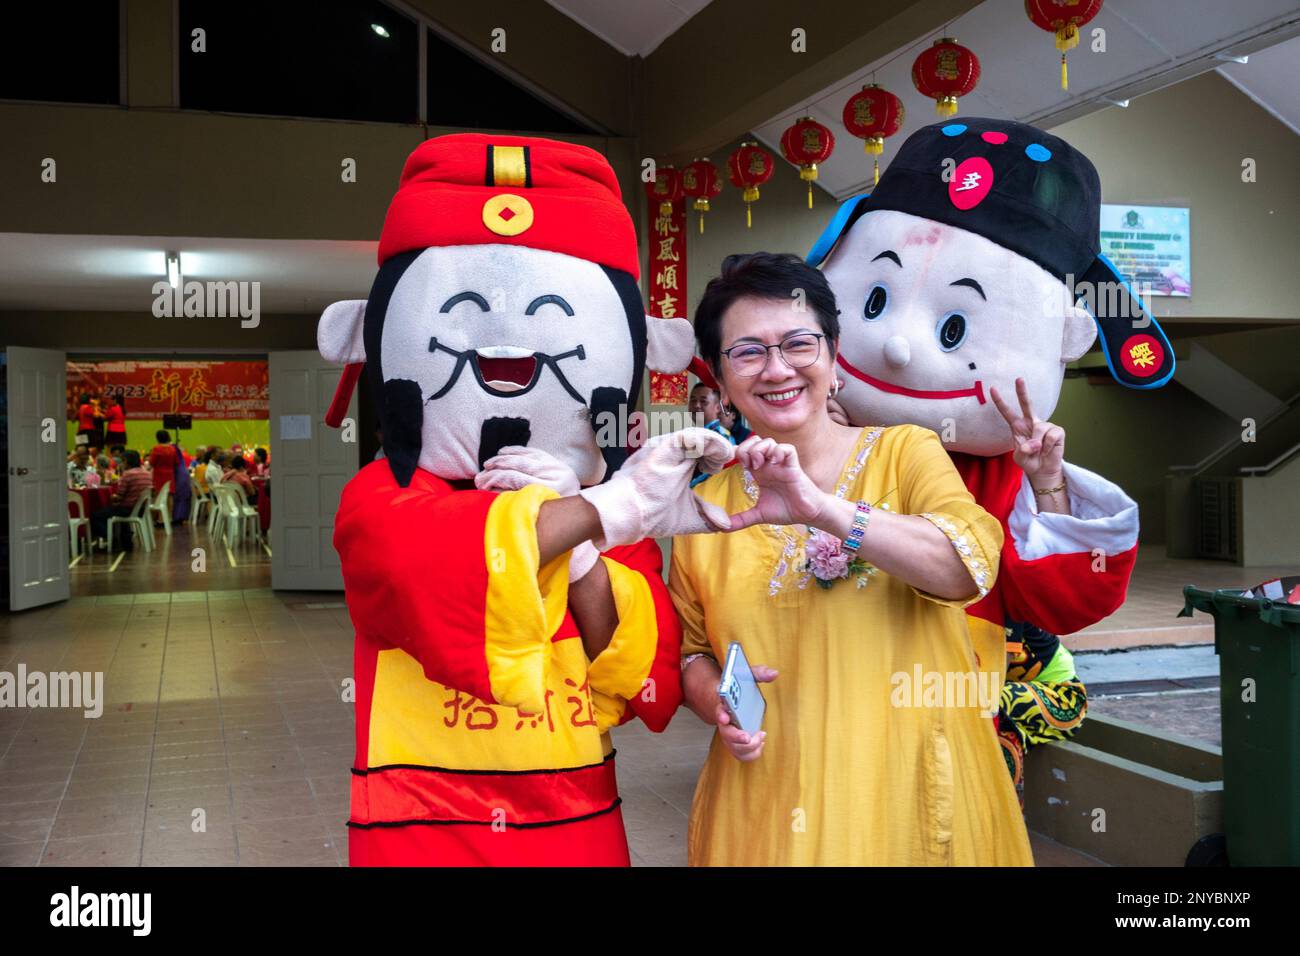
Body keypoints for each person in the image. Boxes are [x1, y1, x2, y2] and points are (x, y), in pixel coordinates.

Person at [670, 252, 1031, 866]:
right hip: (768, 796)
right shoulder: (703, 514)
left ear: (834, 355)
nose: (776, 368)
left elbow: (968, 564)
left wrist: (828, 512)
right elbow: (693, 654)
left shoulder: (906, 452)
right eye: (748, 352)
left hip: (905, 789)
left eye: (797, 344)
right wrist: (718, 701)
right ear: (722, 382)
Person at [90, 450, 151, 551]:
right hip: (141, 509)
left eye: (122, 461)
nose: (121, 464)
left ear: (126, 461)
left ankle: (111, 538)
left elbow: (119, 496)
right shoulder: (146, 473)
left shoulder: (128, 474)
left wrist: (112, 496)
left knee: (96, 515)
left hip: (128, 509)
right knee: (116, 509)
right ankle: (125, 540)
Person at [148, 429, 177, 497]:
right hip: (170, 474)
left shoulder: (157, 449)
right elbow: (176, 462)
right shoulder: (173, 449)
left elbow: (151, 462)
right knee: (169, 495)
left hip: (159, 475)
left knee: (158, 496)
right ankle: (170, 508)